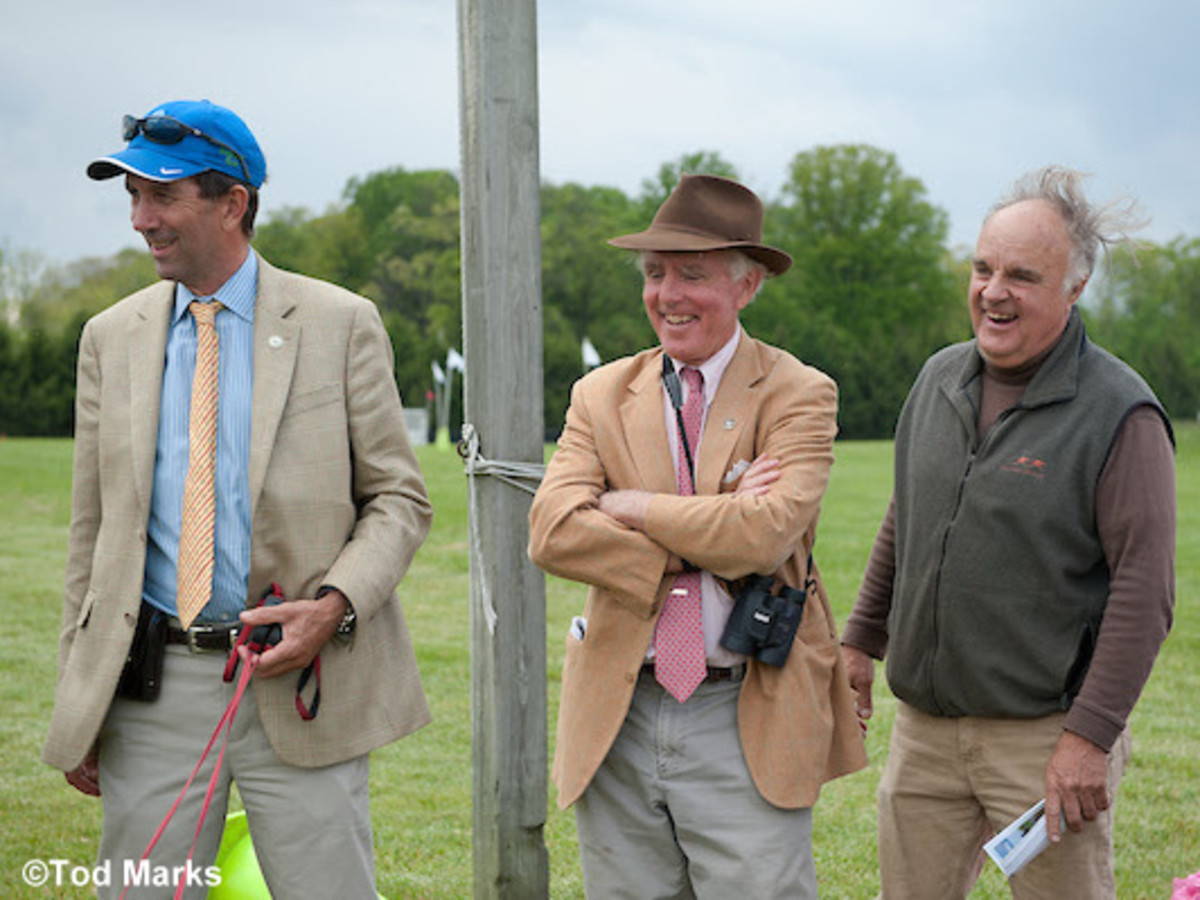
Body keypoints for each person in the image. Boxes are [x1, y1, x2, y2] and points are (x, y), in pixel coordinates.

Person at [42, 99, 433, 899]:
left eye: (161, 196)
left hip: (302, 680)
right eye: (132, 196)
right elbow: (93, 533)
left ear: (233, 204)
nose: (140, 219)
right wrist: (80, 696)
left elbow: (398, 498)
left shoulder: (342, 322)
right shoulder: (107, 338)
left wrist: (335, 604)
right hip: (152, 684)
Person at [841, 166, 1175, 899]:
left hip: (1045, 741)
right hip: (924, 735)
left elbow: (1145, 592)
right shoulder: (937, 380)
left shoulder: (1120, 413)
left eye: (1022, 276)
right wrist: (862, 640)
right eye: (983, 268)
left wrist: (1089, 739)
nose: (993, 292)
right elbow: (908, 512)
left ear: (1075, 287)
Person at [528, 174, 867, 898]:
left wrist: (631, 506)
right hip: (620, 707)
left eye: (692, 274)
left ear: (747, 287)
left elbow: (762, 537)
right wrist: (711, 521)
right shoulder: (600, 393)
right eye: (655, 274)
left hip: (744, 705)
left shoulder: (799, 391)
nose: (668, 294)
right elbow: (552, 533)